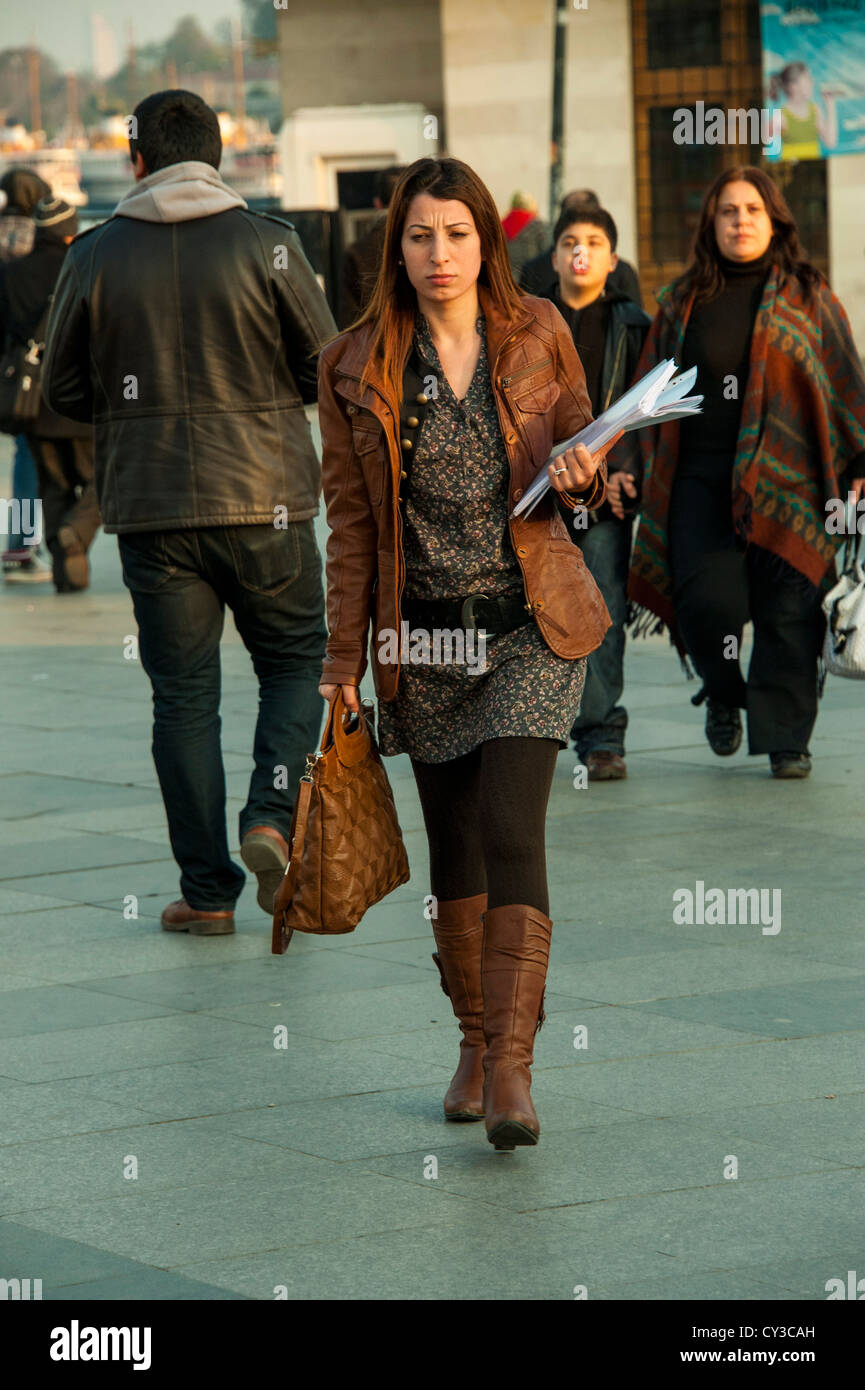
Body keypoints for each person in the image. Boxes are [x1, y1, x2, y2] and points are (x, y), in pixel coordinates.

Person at [317, 155, 617, 1151]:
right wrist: (341, 660)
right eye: (418, 235)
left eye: (455, 233)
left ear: (484, 238)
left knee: (508, 826)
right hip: (424, 635)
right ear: (394, 247)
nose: (437, 253)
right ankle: (474, 1041)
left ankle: (515, 1074)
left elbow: (589, 460)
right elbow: (353, 526)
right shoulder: (355, 362)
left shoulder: (537, 329)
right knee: (453, 850)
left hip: (530, 621)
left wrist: (583, 475)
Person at [43, 89, 337, 930]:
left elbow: (61, 388)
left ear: (137, 159)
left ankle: (208, 894)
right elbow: (326, 367)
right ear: (215, 154)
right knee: (291, 662)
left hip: (152, 509)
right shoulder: (268, 243)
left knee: (181, 699)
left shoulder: (93, 256)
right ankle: (272, 814)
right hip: (269, 502)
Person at [622, 166, 865, 779]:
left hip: (793, 486)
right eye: (729, 211)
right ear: (712, 224)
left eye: (753, 210)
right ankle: (726, 697)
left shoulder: (809, 294)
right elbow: (647, 394)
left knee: (790, 614)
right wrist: (623, 458)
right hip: (699, 482)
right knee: (707, 606)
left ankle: (787, 741)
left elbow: (844, 383)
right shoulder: (683, 302)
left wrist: (861, 461)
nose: (741, 222)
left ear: (774, 219)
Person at [540, 203, 651, 779]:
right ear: (555, 256)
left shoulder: (635, 325)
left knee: (601, 608)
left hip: (607, 500)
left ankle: (602, 734)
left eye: (593, 241)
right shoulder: (526, 322)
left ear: (611, 257)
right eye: (568, 242)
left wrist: (627, 469)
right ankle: (537, 727)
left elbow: (649, 407)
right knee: (538, 613)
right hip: (537, 494)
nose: (580, 251)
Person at [0, 198, 99, 592]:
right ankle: (73, 532)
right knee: (101, 479)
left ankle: (29, 554)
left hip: (27, 401)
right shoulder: (87, 266)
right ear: (70, 231)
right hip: (80, 401)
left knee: (46, 483)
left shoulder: (10, 273)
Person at [0, 167, 52, 583]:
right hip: (29, 364)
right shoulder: (36, 235)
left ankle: (20, 544)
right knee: (29, 455)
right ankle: (20, 545)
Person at [520, 188, 642, 303]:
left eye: (593, 243)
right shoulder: (533, 270)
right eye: (569, 243)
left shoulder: (623, 274)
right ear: (555, 260)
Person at [338, 165, 404, 329]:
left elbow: (348, 320)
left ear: (377, 203)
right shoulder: (428, 244)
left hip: (372, 345)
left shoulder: (356, 252)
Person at [768, 62, 838, 159]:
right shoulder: (780, 117)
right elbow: (766, 149)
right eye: (808, 79)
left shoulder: (815, 110)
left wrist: (830, 106)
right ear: (793, 86)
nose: (812, 83)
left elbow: (830, 143)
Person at [502, 191, 549, 279]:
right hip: (531, 277)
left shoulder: (501, 224)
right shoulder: (537, 225)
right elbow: (545, 253)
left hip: (506, 278)